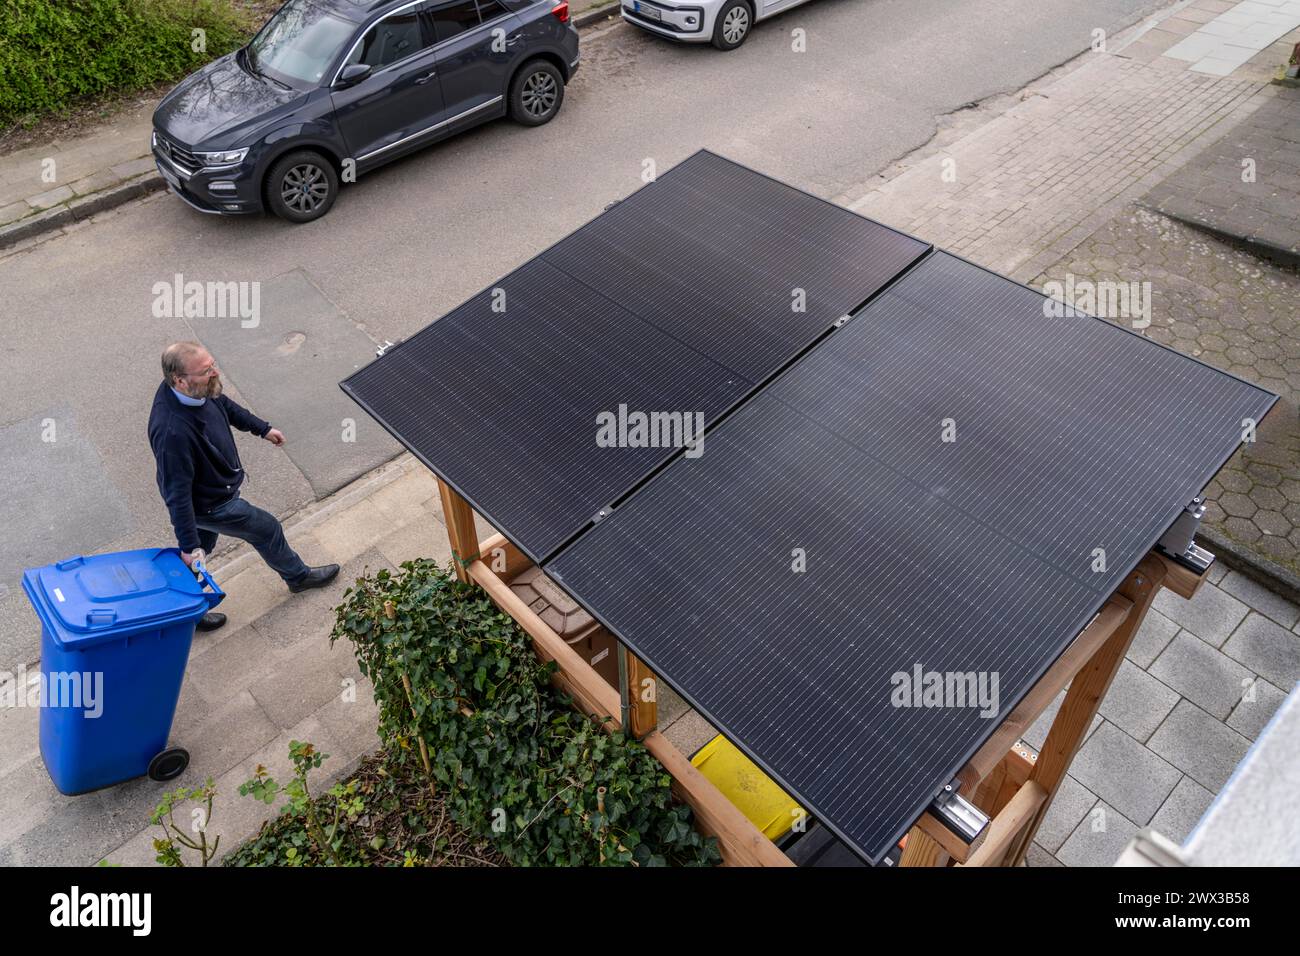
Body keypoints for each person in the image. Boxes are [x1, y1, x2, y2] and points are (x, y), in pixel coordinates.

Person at [148, 341, 338, 631]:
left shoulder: (198, 391)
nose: (214, 372)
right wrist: (187, 544)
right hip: (211, 504)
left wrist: (262, 428)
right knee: (266, 528)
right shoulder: (172, 431)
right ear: (180, 380)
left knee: (199, 552)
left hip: (209, 496)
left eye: (212, 364)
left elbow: (224, 405)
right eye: (206, 370)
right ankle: (298, 577)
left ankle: (185, 613)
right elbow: (177, 494)